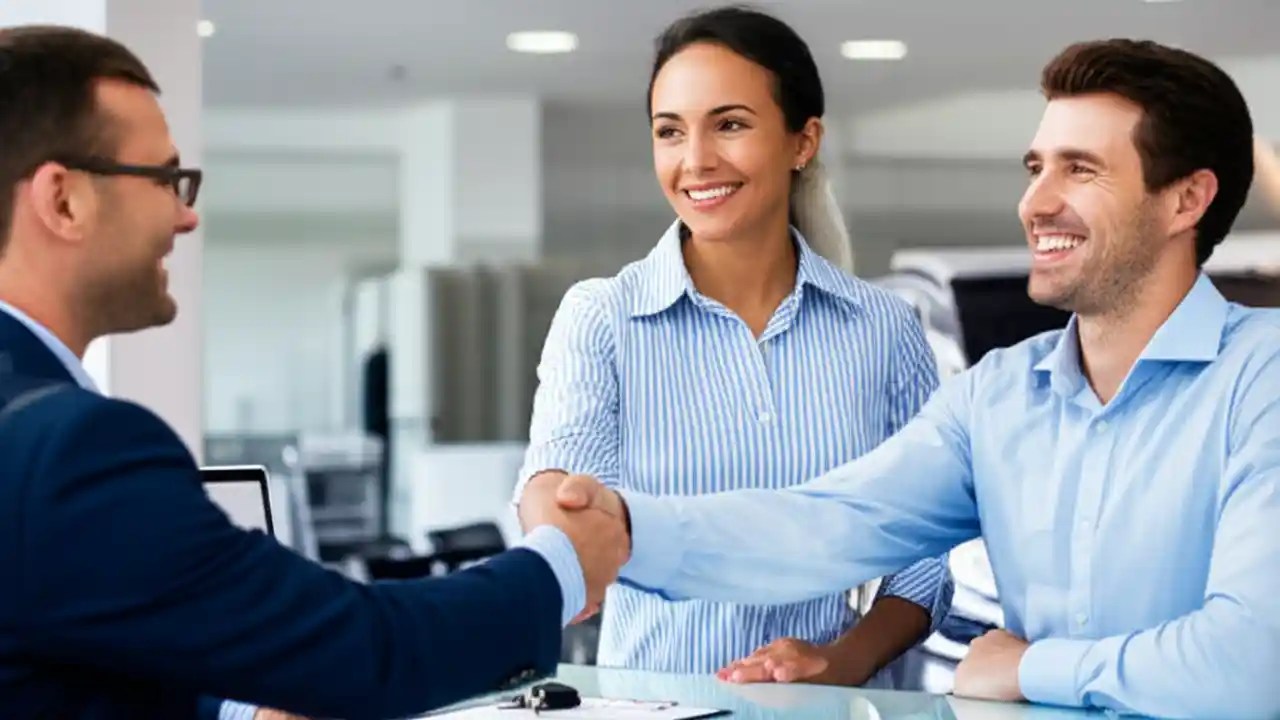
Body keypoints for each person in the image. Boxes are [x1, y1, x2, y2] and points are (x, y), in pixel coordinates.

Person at [526, 38, 1280, 719]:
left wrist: (1028, 668)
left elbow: (1249, 664)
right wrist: (626, 529)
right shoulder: (996, 399)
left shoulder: (1263, 379)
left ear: (1187, 199)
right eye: (1035, 168)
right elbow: (821, 524)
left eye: (1080, 170)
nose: (1035, 203)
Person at [0, 25, 623, 720]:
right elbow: (367, 651)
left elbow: (80, 662)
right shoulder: (67, 451)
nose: (186, 216)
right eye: (166, 180)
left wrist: (242, 712)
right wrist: (561, 565)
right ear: (63, 200)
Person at [515, 6, 951, 688]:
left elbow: (926, 554)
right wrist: (558, 524)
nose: (695, 160)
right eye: (670, 131)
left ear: (803, 141)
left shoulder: (883, 329)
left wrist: (842, 661)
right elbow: (560, 479)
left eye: (730, 124)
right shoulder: (603, 317)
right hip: (654, 704)